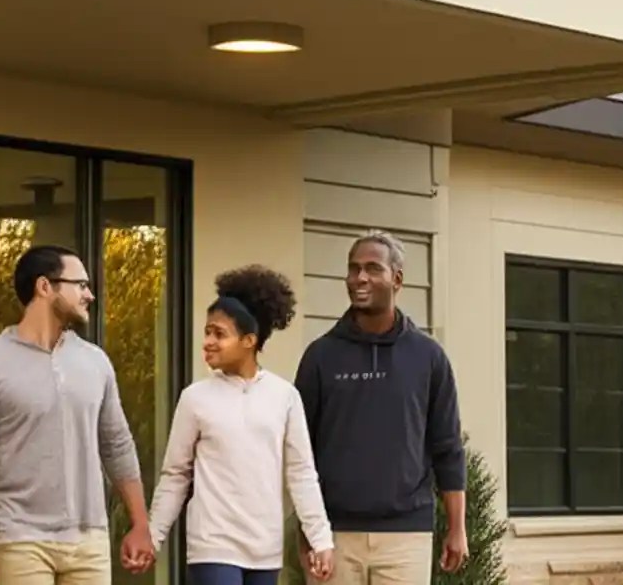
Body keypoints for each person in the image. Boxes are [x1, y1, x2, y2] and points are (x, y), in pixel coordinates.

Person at [0, 244, 155, 584]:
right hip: (20, 538)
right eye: (80, 284)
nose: (89, 295)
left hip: (90, 541)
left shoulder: (96, 362)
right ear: (45, 287)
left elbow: (117, 445)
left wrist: (140, 524)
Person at [294, 231, 468, 584]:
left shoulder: (428, 357)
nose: (360, 277)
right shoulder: (320, 356)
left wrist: (457, 528)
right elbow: (299, 451)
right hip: (332, 534)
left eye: (373, 268)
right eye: (354, 269)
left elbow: (448, 447)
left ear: (397, 279)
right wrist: (307, 530)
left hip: (406, 536)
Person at [146, 265, 336, 585]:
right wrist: (153, 536)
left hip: (265, 548)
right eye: (207, 332)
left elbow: (301, 473)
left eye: (219, 334)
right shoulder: (195, 398)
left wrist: (321, 540)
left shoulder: (284, 397)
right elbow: (176, 474)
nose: (208, 342)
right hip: (212, 546)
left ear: (249, 340)